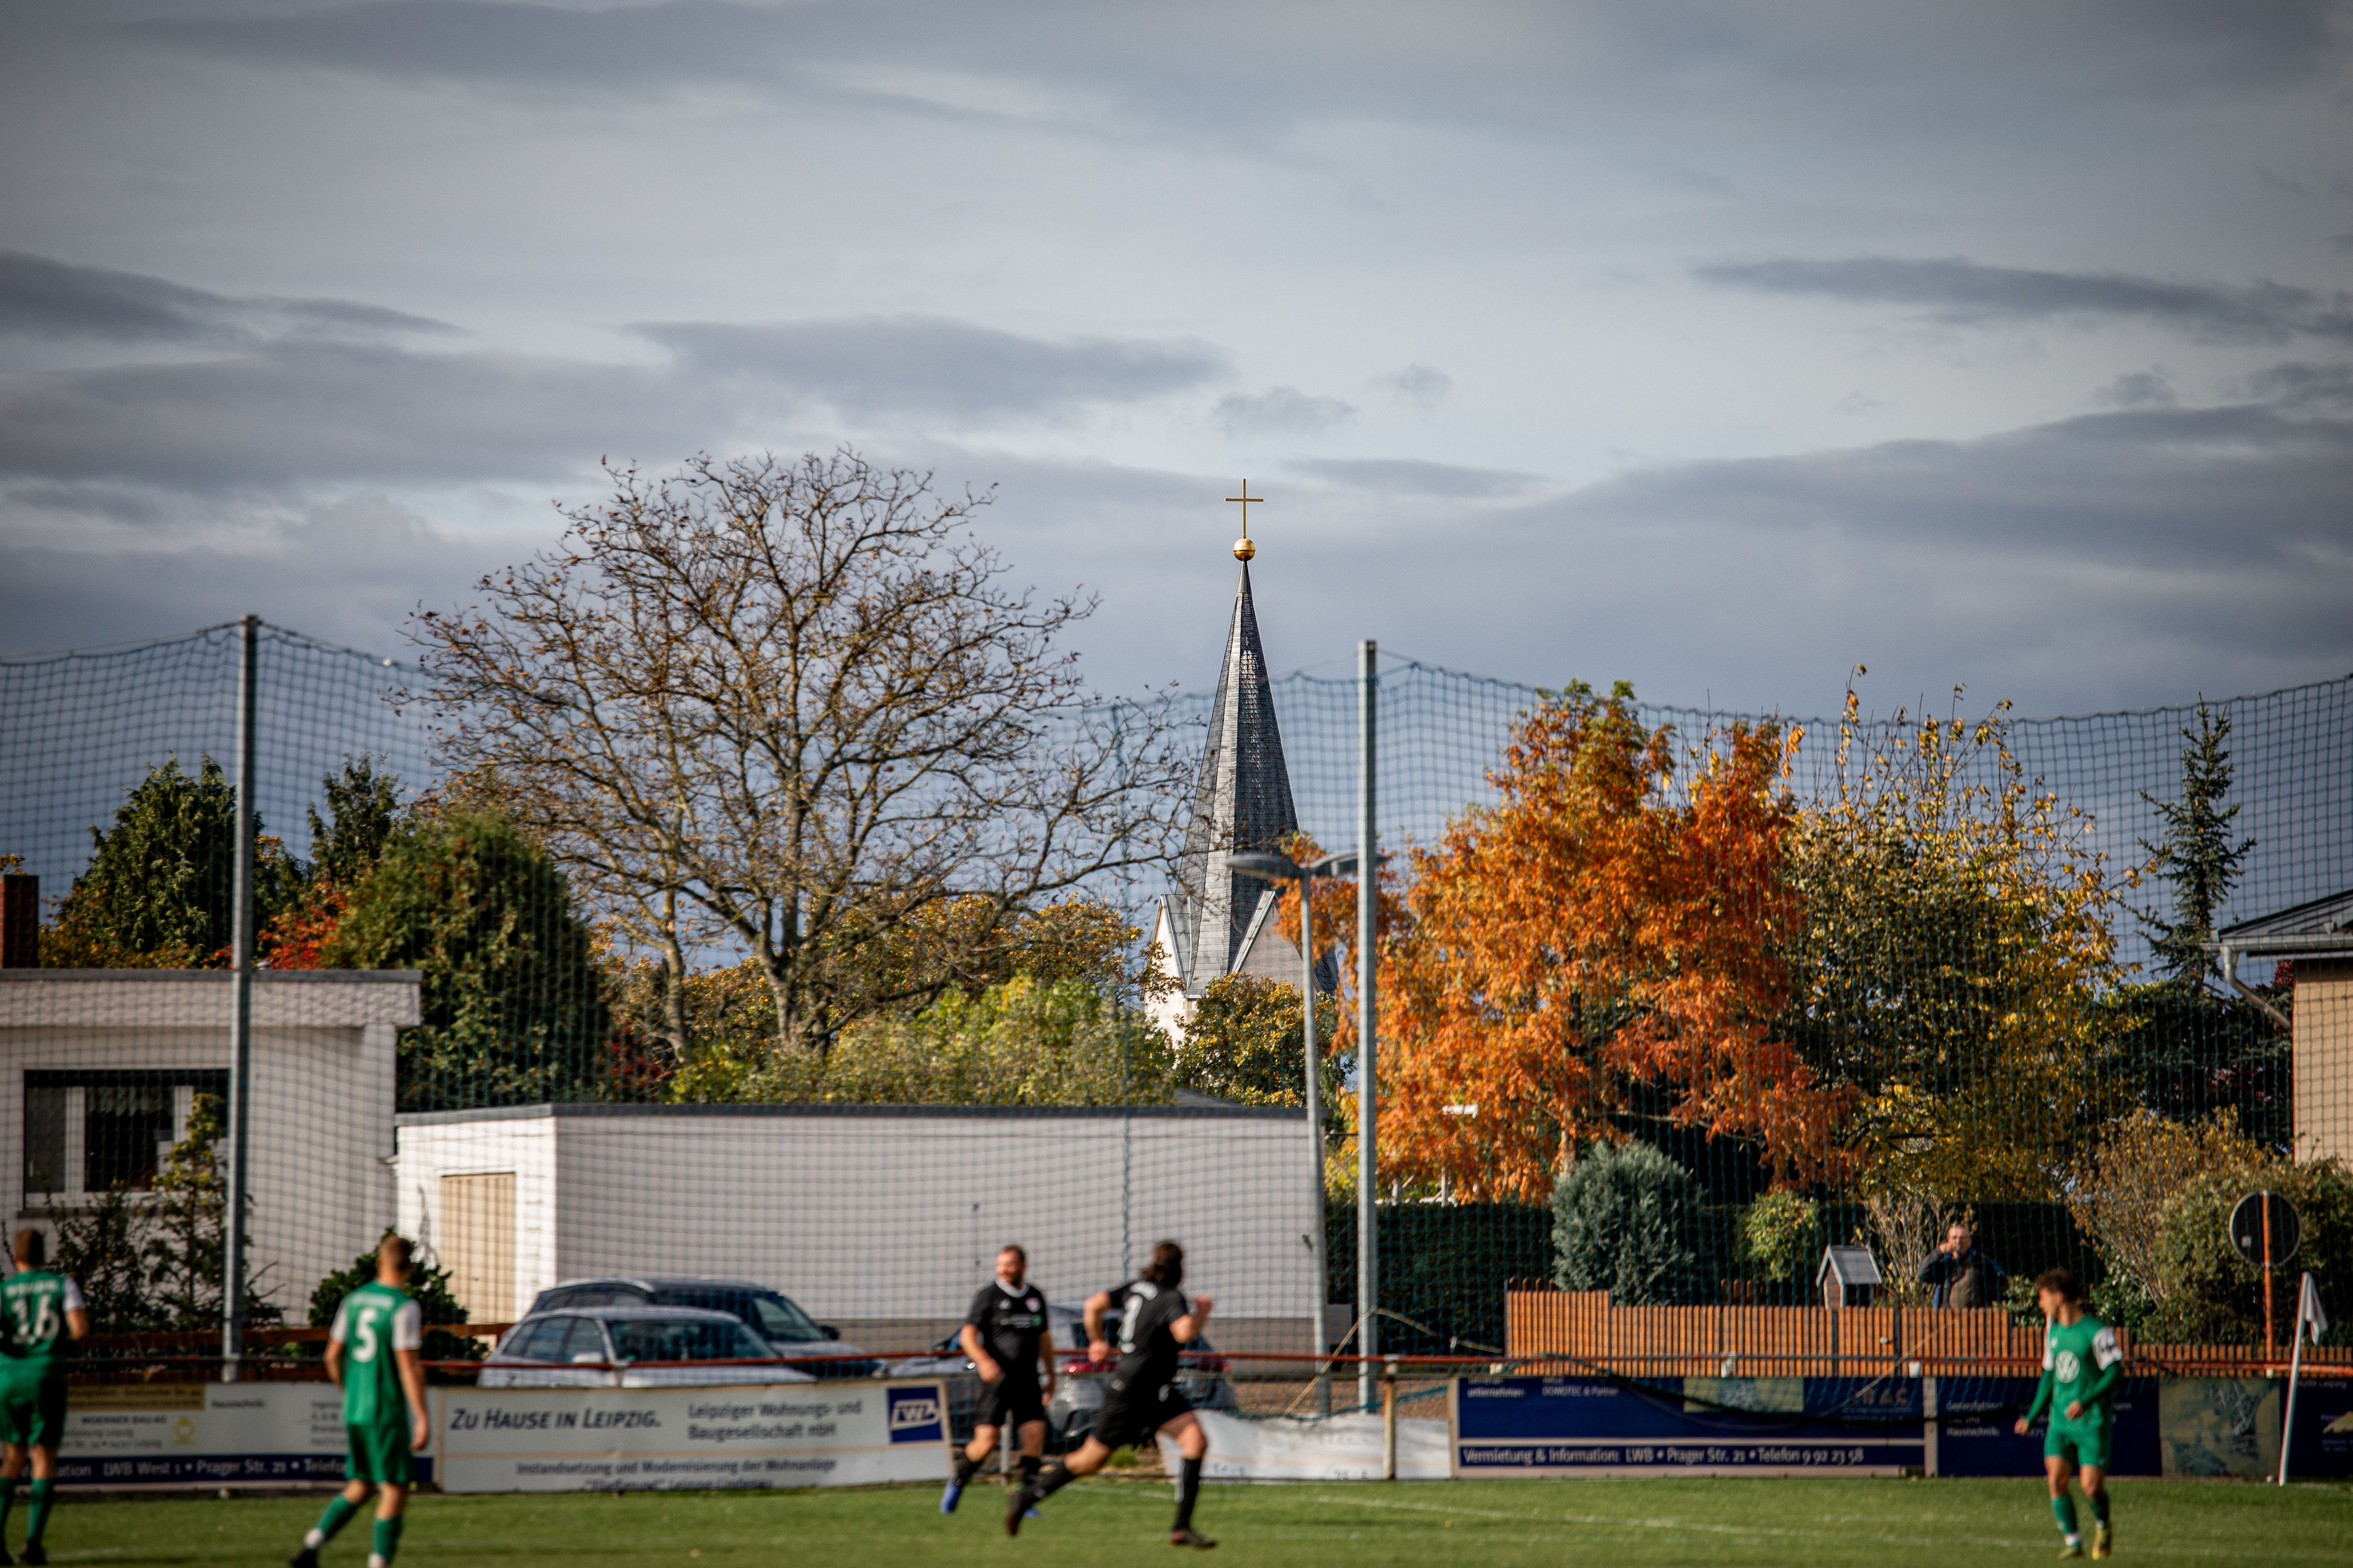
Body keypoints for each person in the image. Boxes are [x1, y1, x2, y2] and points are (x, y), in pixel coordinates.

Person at [1008, 1240, 1214, 1549]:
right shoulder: (1172, 1298)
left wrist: (1096, 1340)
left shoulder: (1137, 1287)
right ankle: (1027, 1496)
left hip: (1153, 1388)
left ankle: (1181, 1528)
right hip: (1134, 1390)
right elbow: (1183, 1333)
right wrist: (1202, 1314)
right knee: (1091, 1459)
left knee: (1195, 1441)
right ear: (1180, 1269)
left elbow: (1093, 1304)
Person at [291, 1235, 431, 1568]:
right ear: (409, 1267)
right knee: (395, 1490)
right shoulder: (404, 1307)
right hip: (385, 1411)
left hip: (356, 1409)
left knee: (363, 1485)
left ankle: (310, 1548)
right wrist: (423, 1417)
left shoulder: (353, 1300)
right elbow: (408, 1366)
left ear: (380, 1261)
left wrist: (348, 1393)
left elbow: (331, 1357)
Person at [2014, 1267, 2122, 1560]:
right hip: (2060, 1423)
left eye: (2043, 1297)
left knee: (2091, 1487)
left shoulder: (2096, 1332)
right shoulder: (2053, 1331)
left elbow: (2114, 1373)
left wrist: (2085, 1401)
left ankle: (2103, 1524)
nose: (2040, 1303)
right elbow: (2048, 1377)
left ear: (2059, 1297)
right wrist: (2032, 1417)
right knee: (2056, 1480)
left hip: (2091, 1422)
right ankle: (2074, 1541)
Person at [941, 1245, 1056, 1514]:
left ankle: (1023, 1498)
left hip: (1028, 1380)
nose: (1004, 1270)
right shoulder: (988, 1296)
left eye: (1010, 1265)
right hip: (998, 1382)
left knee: (1035, 1433)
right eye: (1001, 1265)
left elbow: (1044, 1339)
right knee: (986, 1441)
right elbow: (967, 1335)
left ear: (1023, 1267)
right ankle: (958, 1480)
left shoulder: (1036, 1297)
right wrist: (983, 1360)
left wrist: (1051, 1375)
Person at [0, 1229, 90, 1566]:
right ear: (44, 1255)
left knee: (11, 1457)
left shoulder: (4, 1289)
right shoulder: (62, 1284)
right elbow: (80, 1329)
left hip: (9, 1377)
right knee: (43, 1457)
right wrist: (51, 1343)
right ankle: (33, 1544)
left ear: (15, 1257)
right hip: (46, 1376)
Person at [1919, 1222, 2009, 1309]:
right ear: (1948, 1241)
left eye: (1963, 1238)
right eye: (1954, 1238)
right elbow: (1922, 1274)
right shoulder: (1943, 1262)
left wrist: (1986, 1296)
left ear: (1969, 1241)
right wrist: (1939, 1252)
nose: (1958, 1241)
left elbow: (2003, 1282)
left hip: (1975, 1320)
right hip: (1947, 1319)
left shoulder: (1981, 1261)